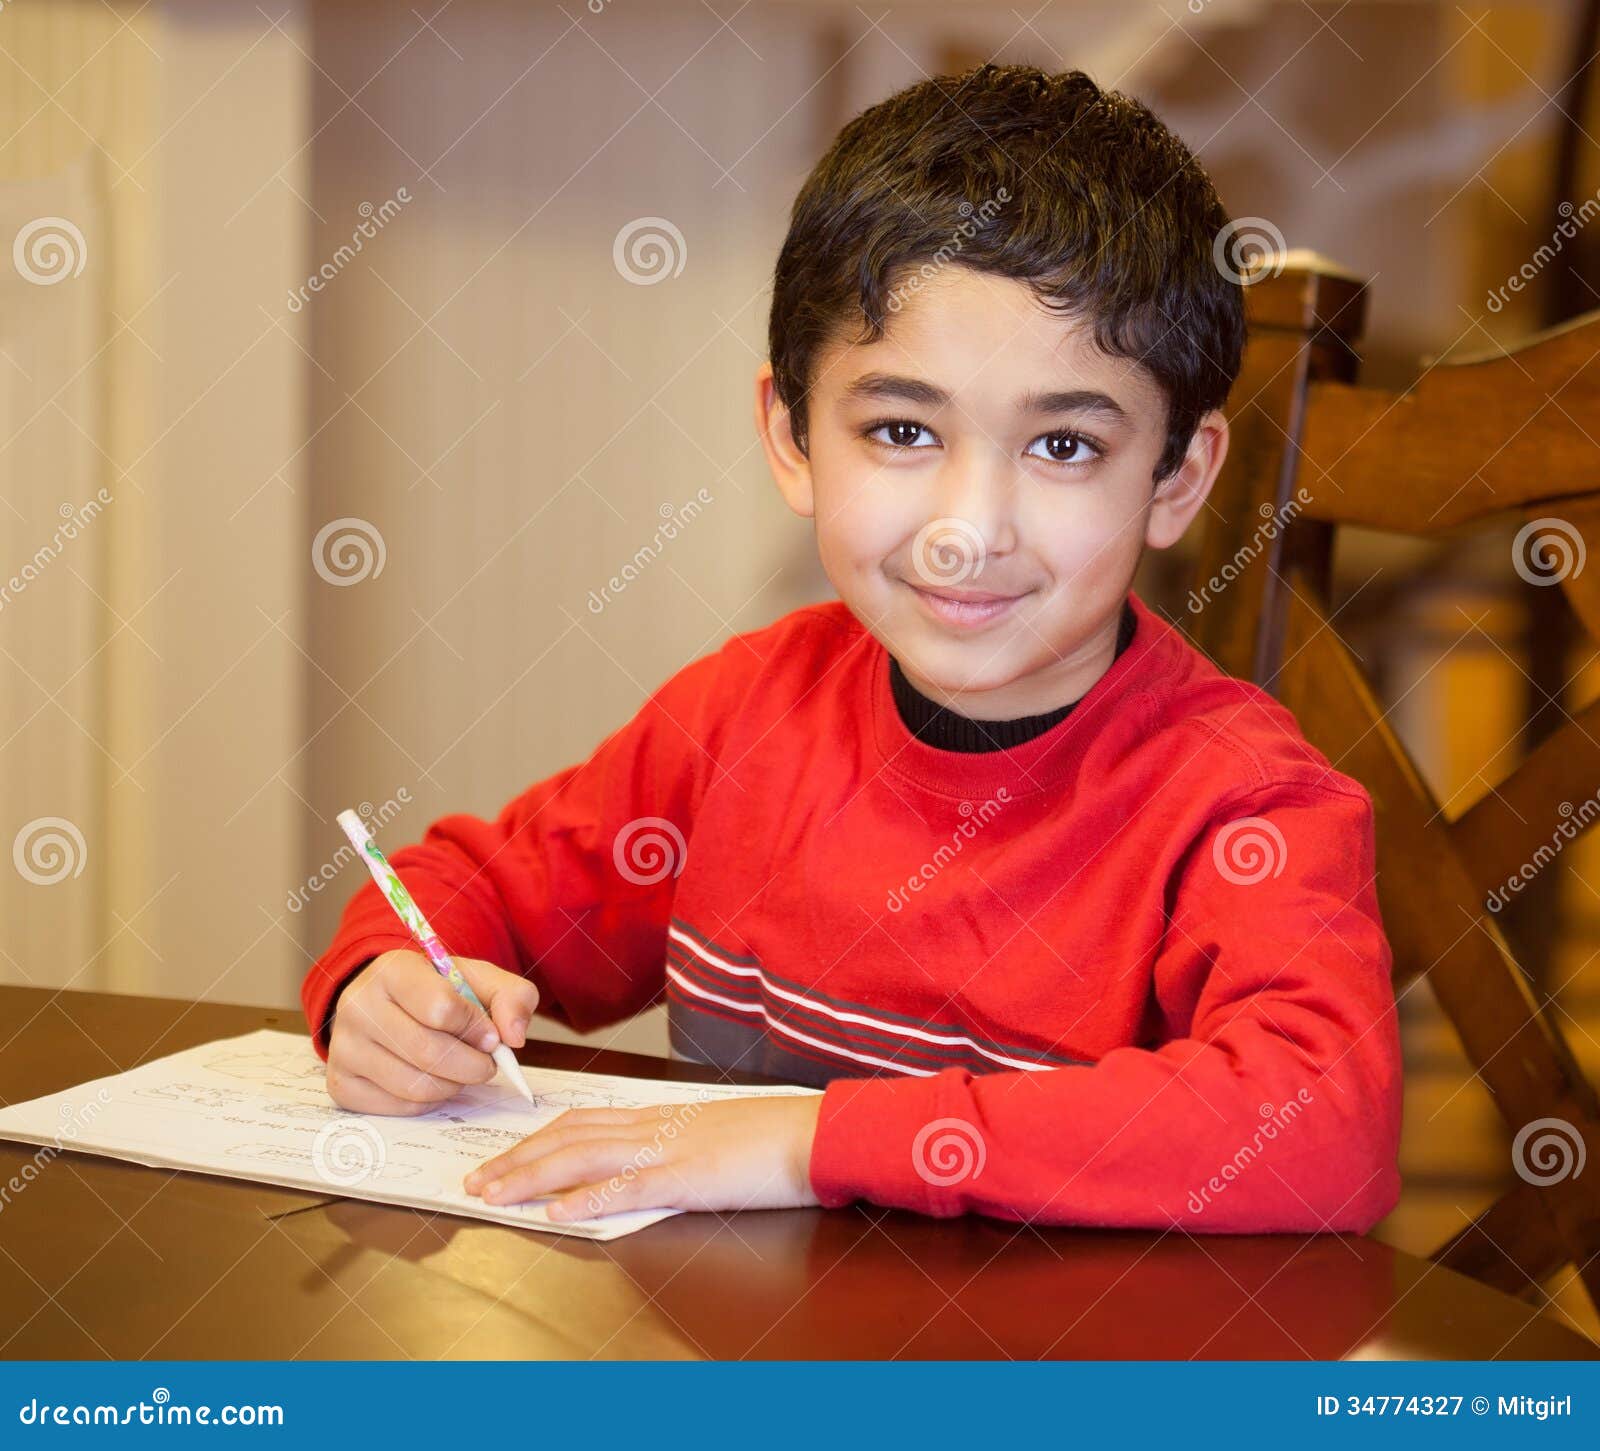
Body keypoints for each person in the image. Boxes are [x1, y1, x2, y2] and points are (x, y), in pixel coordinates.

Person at [301, 63, 1401, 1234]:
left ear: (1175, 478)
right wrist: (387, 988)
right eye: (902, 429)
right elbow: (470, 894)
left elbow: (1320, 1125)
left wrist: (809, 1140)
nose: (969, 528)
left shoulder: (1242, 807)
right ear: (791, 438)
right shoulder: (740, 718)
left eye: (1064, 447)